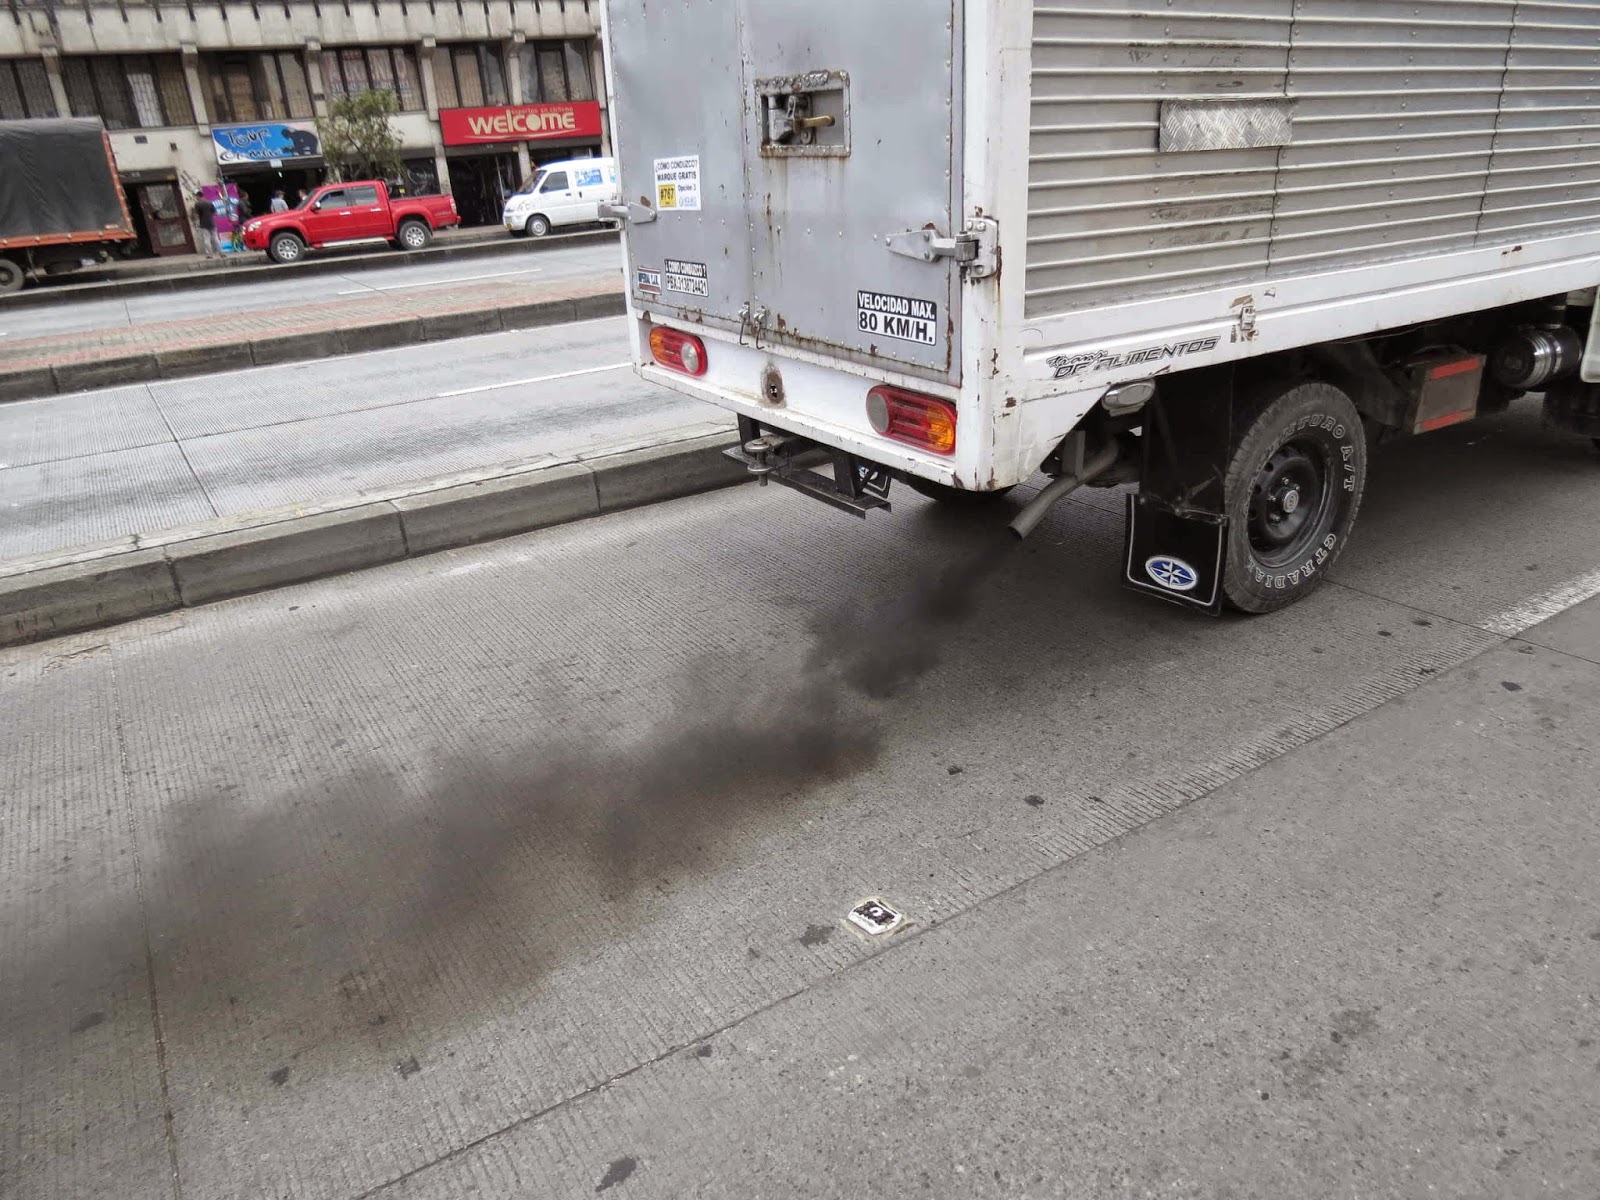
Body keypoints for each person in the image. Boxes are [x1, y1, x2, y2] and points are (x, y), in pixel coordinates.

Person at [192, 193, 218, 258]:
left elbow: (196, 215)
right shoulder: (210, 203)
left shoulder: (197, 204)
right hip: (211, 223)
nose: (196, 198)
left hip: (203, 224)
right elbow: (215, 212)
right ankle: (221, 253)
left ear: (198, 196)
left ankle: (210, 254)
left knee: (206, 239)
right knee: (215, 238)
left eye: (196, 196)